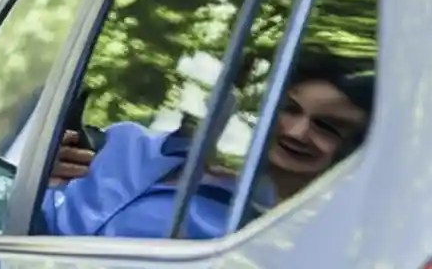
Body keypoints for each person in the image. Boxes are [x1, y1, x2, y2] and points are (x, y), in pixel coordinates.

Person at [41, 54, 373, 239]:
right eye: (289, 109)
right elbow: (38, 228)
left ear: (355, 145)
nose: (298, 131)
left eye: (327, 127)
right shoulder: (129, 149)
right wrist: (46, 178)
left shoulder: (332, 235)